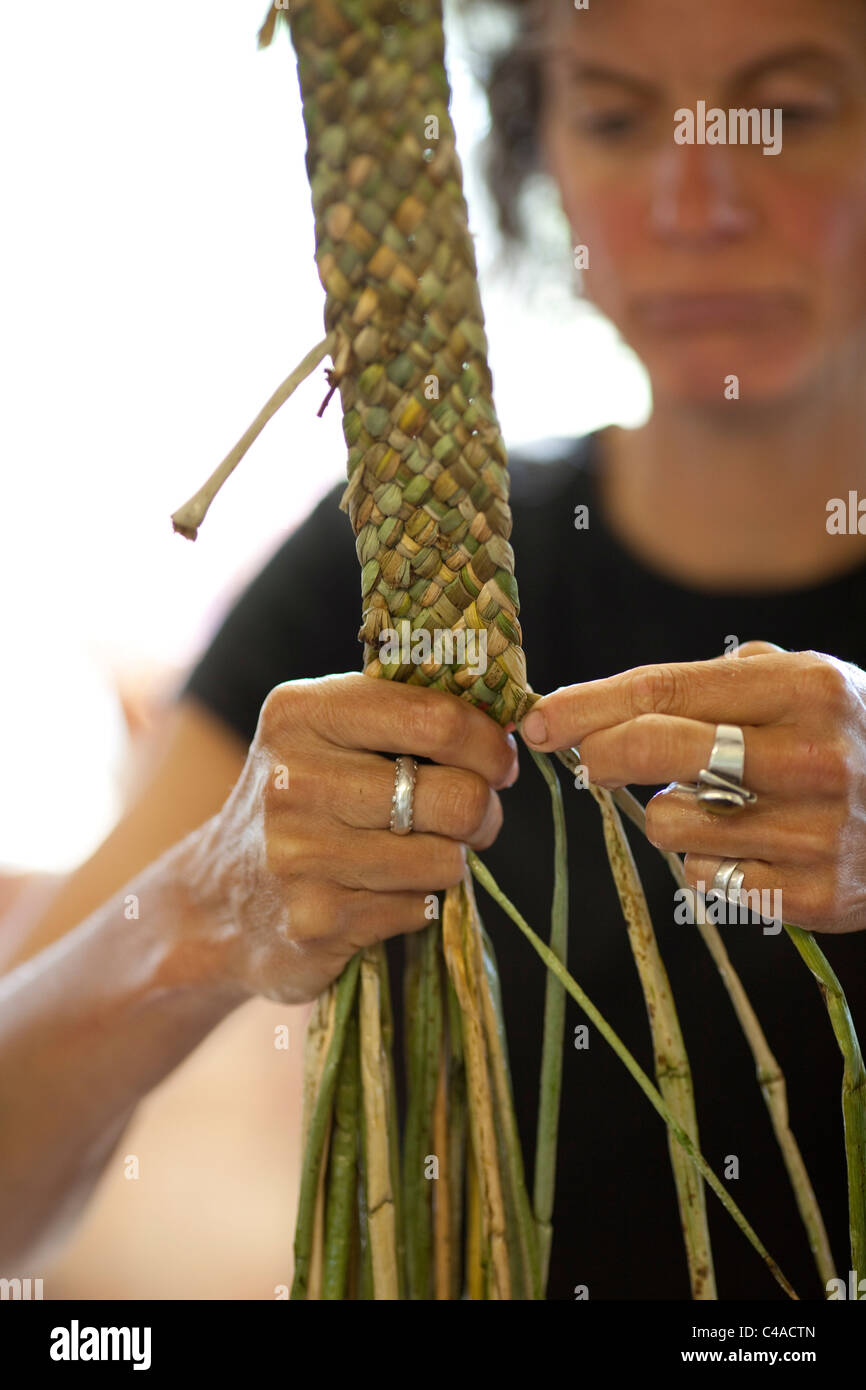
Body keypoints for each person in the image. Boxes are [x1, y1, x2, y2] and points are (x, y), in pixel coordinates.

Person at [3, 0, 866, 1300]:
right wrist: (200, 909)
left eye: (785, 112)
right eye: (618, 118)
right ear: (540, 158)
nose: (697, 200)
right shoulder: (383, 572)